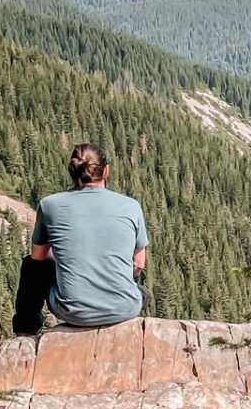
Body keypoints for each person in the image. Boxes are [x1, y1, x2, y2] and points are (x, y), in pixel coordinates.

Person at [12, 143, 149, 335]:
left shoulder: (50, 205)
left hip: (72, 312)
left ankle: (25, 331)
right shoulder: (131, 206)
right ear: (106, 171)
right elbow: (139, 263)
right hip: (125, 308)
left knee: (31, 266)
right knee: (142, 292)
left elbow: (38, 257)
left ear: (72, 171)